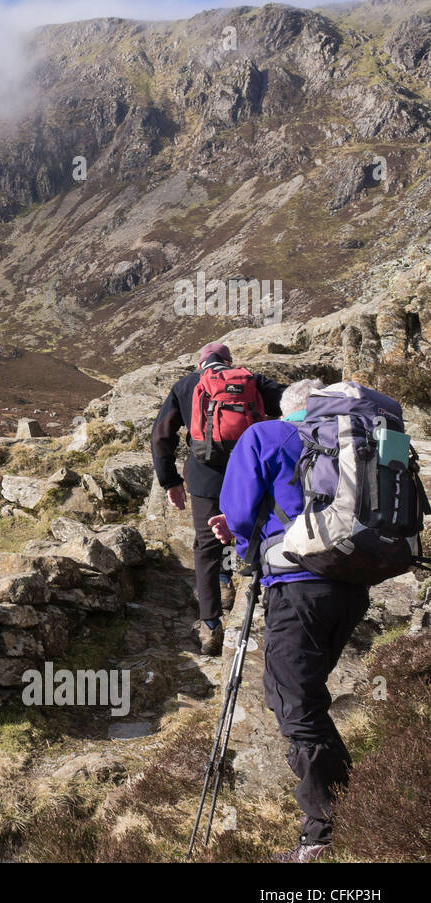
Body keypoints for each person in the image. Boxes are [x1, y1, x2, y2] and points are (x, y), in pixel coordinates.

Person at [209, 378, 369, 862]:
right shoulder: (358, 441)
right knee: (306, 697)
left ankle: (326, 831)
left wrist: (240, 538)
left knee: (293, 703)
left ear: (288, 409)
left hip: (297, 586)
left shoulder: (265, 435)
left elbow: (236, 513)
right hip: (353, 583)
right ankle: (354, 806)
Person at [151, 341, 285, 655]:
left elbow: (161, 436)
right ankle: (250, 598)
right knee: (254, 535)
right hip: (251, 474)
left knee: (207, 545)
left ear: (201, 364)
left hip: (204, 478)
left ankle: (210, 624)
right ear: (229, 362)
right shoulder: (251, 380)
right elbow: (293, 404)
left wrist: (170, 480)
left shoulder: (186, 386)